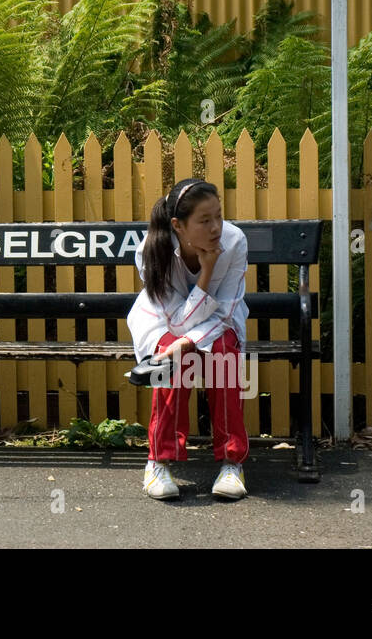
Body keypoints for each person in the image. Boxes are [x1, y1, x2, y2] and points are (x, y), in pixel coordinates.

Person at [126, 177, 250, 501]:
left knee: (222, 353)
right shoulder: (152, 250)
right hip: (160, 322)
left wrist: (188, 342)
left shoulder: (235, 243)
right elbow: (176, 320)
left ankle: (231, 461)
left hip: (219, 325)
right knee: (172, 357)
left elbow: (225, 313)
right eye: (204, 220)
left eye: (219, 216)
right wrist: (206, 275)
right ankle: (159, 461)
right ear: (178, 226)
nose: (216, 228)